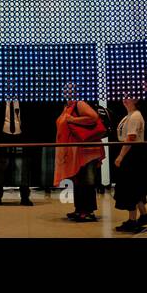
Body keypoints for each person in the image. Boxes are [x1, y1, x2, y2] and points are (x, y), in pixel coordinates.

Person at [53, 86, 105, 222]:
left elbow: (94, 117)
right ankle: (79, 209)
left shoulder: (80, 103)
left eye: (70, 90)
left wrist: (73, 120)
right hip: (76, 153)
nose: (67, 92)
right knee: (78, 180)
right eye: (65, 90)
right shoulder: (67, 107)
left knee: (87, 180)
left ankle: (88, 211)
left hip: (87, 151)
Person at [113, 98, 147, 232]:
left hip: (132, 154)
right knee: (134, 187)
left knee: (130, 187)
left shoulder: (135, 116)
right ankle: (144, 215)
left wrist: (120, 156)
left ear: (136, 100)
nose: (125, 99)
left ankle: (132, 220)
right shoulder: (129, 116)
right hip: (131, 153)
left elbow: (131, 138)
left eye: (129, 97)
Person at [0, 99, 34, 206]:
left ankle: (24, 197)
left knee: (23, 166)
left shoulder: (24, 99)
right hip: (3, 135)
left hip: (21, 135)